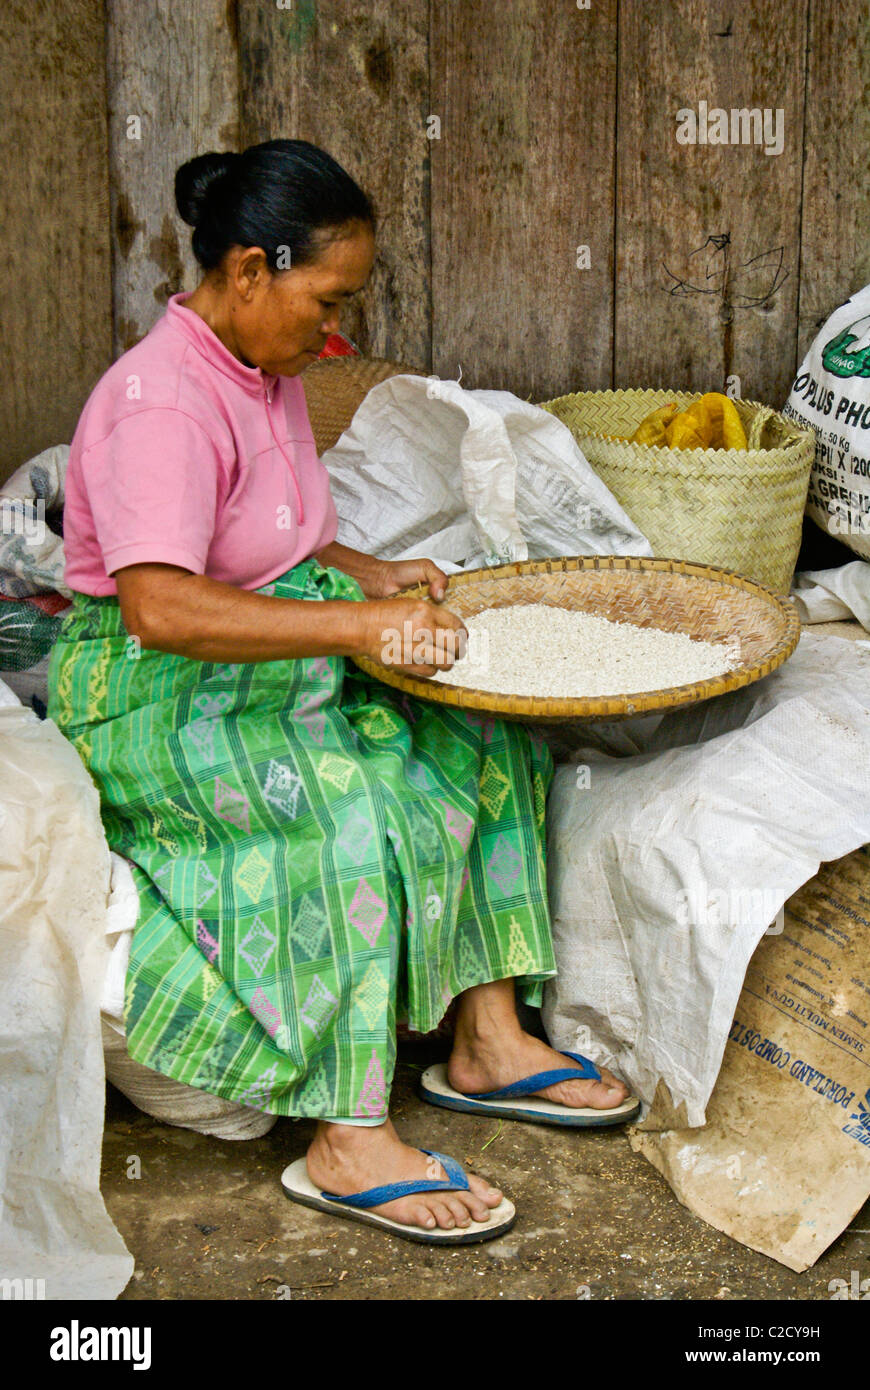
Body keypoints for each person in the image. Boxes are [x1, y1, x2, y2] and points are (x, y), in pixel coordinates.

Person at [48, 139, 636, 1245]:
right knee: (348, 806)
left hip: (268, 653)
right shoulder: (161, 403)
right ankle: (347, 1129)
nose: (337, 332)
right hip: (156, 691)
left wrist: (367, 573)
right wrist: (363, 622)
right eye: (328, 299)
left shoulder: (264, 373)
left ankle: (487, 1038)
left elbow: (274, 543)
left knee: (485, 730)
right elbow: (162, 608)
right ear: (249, 271)